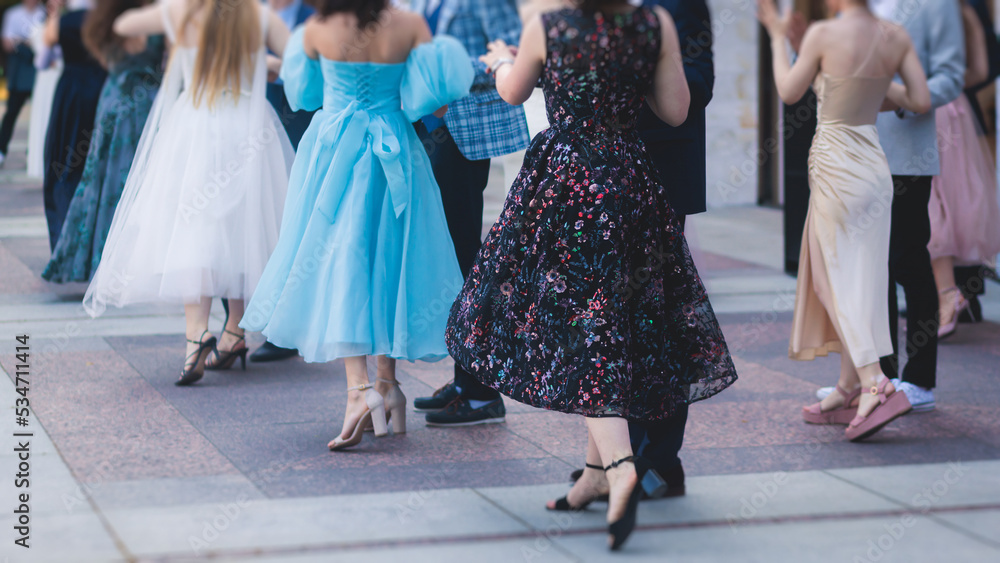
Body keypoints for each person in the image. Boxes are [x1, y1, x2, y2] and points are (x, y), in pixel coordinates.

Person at [449, 0, 737, 551]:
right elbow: (676, 110)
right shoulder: (654, 24)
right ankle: (595, 474)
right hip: (630, 177)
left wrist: (502, 61)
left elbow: (513, 92)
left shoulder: (549, 27)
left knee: (586, 327)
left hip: (568, 185)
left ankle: (622, 466)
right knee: (612, 321)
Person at [241, 0, 473, 450]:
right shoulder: (409, 24)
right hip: (395, 153)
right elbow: (435, 105)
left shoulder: (316, 28)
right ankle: (388, 385)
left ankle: (357, 391)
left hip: (334, 154)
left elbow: (303, 97)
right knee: (390, 258)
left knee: (343, 261)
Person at [82, 0, 294, 388]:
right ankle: (235, 331)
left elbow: (125, 21)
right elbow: (300, 59)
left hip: (195, 124)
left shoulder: (181, 11)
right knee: (242, 225)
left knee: (194, 228)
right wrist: (267, 65)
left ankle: (197, 335)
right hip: (248, 127)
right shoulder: (258, 16)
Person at [760, 0, 930, 440]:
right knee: (863, 278)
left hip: (836, 165)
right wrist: (867, 89)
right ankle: (849, 385)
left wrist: (778, 37)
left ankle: (875, 381)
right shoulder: (894, 36)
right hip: (874, 166)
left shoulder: (822, 36)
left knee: (831, 280)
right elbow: (919, 99)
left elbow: (787, 91)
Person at [815, 0, 966, 413]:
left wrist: (899, 97)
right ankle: (873, 376)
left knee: (906, 260)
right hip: (847, 151)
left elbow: (951, 76)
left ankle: (919, 379)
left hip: (905, 153)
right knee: (860, 267)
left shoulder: (939, 6)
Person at [408, 0, 531, 428]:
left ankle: (480, 391)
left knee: (464, 260)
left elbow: (510, 53)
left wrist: (444, 77)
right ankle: (464, 381)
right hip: (418, 129)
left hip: (458, 135)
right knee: (446, 257)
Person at [41, 0, 165, 283]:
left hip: (113, 98)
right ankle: (136, 257)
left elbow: (53, 47)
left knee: (104, 178)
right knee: (143, 178)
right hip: (146, 101)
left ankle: (106, 255)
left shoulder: (102, 21)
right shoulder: (156, 19)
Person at [241, 0, 316, 365]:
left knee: (296, 224)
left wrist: (275, 67)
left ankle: (288, 326)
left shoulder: (313, 14)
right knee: (258, 222)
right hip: (258, 127)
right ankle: (251, 324)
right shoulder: (248, 12)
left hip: (306, 124)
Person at [928, 0, 1000, 339]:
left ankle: (946, 295)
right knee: (951, 198)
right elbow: (980, 72)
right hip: (956, 112)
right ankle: (949, 294)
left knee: (930, 200)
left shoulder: (918, 12)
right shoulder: (964, 11)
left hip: (927, 111)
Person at [42, 0, 108, 251]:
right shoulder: (105, 18)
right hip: (100, 87)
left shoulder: (63, 20)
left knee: (63, 158)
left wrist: (55, 13)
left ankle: (63, 238)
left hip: (70, 91)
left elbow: (47, 43)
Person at [0, 0, 45, 168]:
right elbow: (7, 43)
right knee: (11, 112)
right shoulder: (13, 14)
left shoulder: (44, 13)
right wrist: (27, 43)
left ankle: (33, 153)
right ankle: (1, 149)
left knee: (39, 115)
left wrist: (22, 41)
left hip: (38, 71)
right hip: (20, 71)